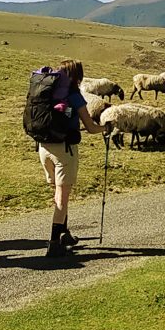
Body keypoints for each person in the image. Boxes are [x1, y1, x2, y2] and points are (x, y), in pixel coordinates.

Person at [32, 59, 107, 258]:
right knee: (62, 198)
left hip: (43, 148)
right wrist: (105, 128)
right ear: (78, 76)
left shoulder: (46, 92)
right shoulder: (74, 95)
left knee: (58, 193)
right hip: (64, 151)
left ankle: (65, 234)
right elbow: (90, 127)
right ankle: (54, 242)